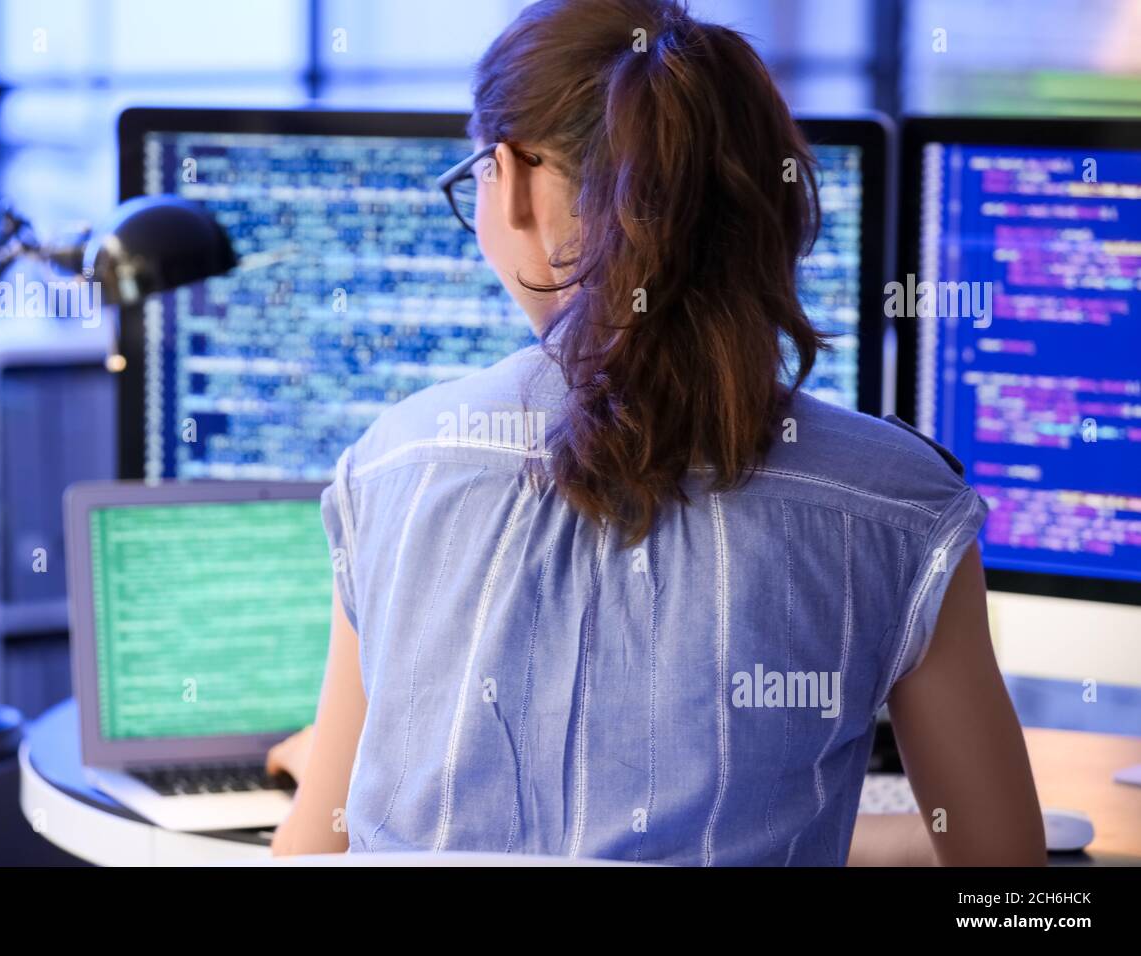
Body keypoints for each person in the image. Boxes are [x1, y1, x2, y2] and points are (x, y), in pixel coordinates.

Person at [268, 0, 1045, 865]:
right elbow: (1006, 882)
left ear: (515, 182)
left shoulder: (394, 467)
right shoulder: (900, 506)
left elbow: (313, 854)